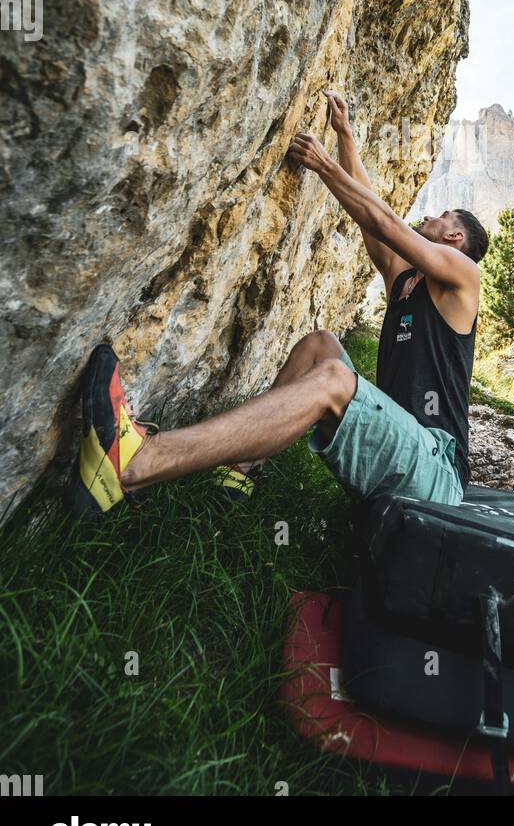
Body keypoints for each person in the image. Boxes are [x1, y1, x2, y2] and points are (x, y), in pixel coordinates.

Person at [70, 91, 488, 517]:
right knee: (319, 347)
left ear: (455, 238)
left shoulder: (462, 277)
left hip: (438, 473)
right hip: (407, 453)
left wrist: (324, 164)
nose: (430, 217)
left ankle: (136, 464)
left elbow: (385, 221)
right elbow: (370, 218)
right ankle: (242, 470)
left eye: (442, 217)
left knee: (333, 380)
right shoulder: (408, 282)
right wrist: (344, 136)